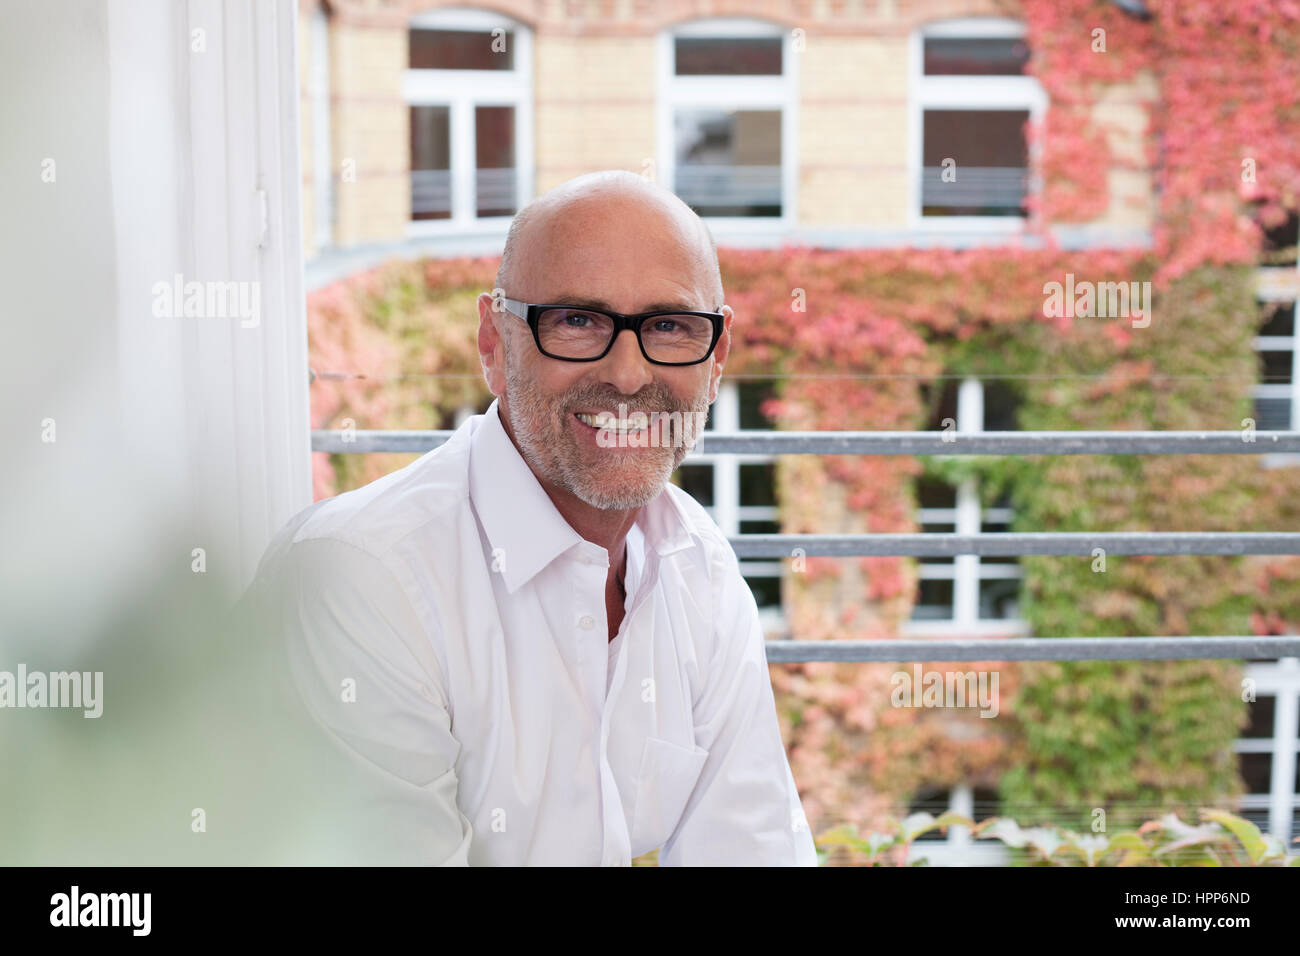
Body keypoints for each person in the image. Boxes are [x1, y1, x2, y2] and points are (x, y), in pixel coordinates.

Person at [250, 170, 817, 865]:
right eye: (577, 321)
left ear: (718, 355)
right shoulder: (356, 579)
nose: (630, 374)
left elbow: (750, 849)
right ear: (494, 343)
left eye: (669, 326)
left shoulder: (699, 564)